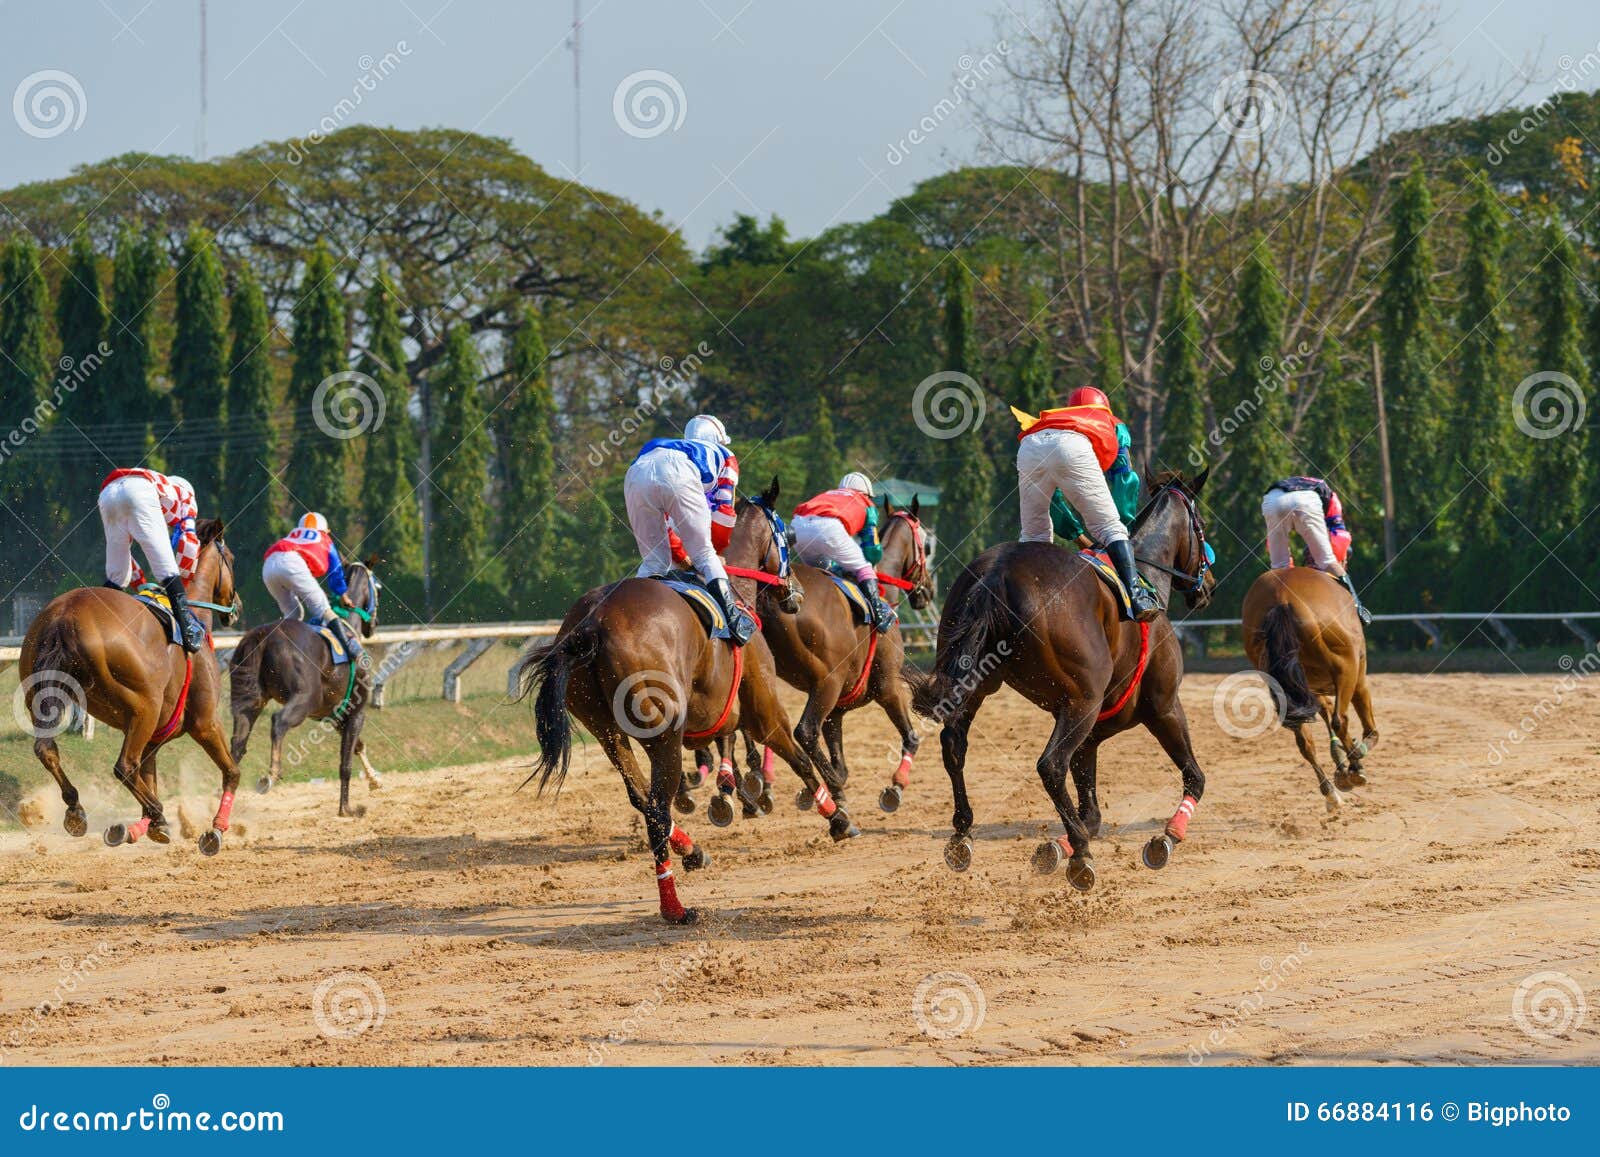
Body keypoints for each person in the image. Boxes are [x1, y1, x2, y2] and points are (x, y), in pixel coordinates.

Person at [1015, 386, 1160, 622]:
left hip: (1030, 444)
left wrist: (1076, 535)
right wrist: (1121, 528)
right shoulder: (1113, 423)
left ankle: (1023, 602)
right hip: (1071, 446)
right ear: (1103, 408)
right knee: (1110, 527)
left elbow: (1055, 502)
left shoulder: (1057, 418)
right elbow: (1125, 479)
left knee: (1034, 535)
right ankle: (1137, 598)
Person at [625, 414, 755, 645]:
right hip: (679, 473)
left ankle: (629, 614)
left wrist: (681, 556)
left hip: (636, 471)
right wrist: (716, 551)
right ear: (717, 439)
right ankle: (734, 621)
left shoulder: (671, 445)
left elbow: (667, 527)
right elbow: (724, 512)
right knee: (705, 555)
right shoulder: (725, 455)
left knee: (654, 562)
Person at [97, 467, 207, 652]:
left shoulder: (162, 488)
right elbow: (189, 543)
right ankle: (186, 627)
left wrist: (140, 585)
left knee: (117, 575)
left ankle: (100, 622)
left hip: (107, 493)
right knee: (166, 567)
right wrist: (181, 585)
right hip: (138, 490)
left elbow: (127, 558)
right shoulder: (186, 495)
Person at [792, 472, 897, 633]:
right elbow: (872, 551)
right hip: (828, 528)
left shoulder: (828, 494)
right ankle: (878, 614)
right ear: (866, 494)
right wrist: (868, 567)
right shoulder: (866, 503)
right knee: (864, 567)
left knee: (825, 572)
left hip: (797, 527)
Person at [1261, 475, 1372, 624]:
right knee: (1328, 561)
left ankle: (1271, 616)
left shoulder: (1294, 487)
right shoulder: (1332, 498)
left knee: (1279, 568)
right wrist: (1327, 564)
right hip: (1305, 500)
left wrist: (1290, 568)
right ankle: (1358, 608)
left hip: (1271, 500)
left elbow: (1270, 544)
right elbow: (1341, 536)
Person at [262, 512, 364, 658]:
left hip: (268, 567)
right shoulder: (325, 539)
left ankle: (279, 651)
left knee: (293, 614)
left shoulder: (293, 535)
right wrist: (342, 594)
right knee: (324, 610)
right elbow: (335, 571)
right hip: (292, 563)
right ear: (326, 531)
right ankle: (349, 649)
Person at [1050, 414, 1140, 545]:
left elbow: (1049, 498)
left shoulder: (1056, 427)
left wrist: (1079, 539)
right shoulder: (1116, 427)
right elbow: (1126, 481)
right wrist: (1122, 530)